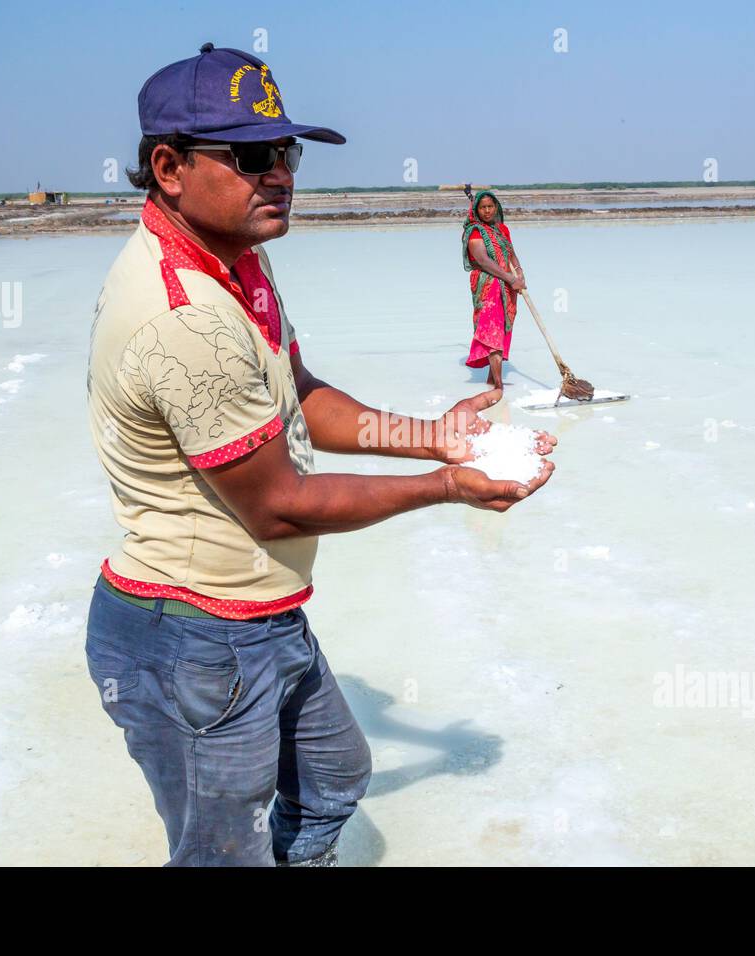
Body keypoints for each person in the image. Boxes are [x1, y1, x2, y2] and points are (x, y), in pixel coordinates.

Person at [85, 44, 556, 867]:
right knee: (219, 855)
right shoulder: (182, 316)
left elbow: (298, 392)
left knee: (336, 774)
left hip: (258, 611)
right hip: (194, 631)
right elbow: (279, 502)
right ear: (168, 167)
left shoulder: (237, 261)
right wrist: (447, 486)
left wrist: (434, 436)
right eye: (251, 156)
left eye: (286, 153)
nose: (279, 175)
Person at [462, 190, 525, 390]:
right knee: (492, 330)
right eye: (482, 207)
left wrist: (520, 274)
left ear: (496, 207)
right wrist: (509, 278)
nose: (487, 211)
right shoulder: (474, 232)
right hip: (488, 285)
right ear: (477, 210)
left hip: (508, 287)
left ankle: (492, 379)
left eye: (490, 207)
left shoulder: (502, 229)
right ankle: (499, 385)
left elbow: (511, 254)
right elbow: (483, 261)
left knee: (504, 328)